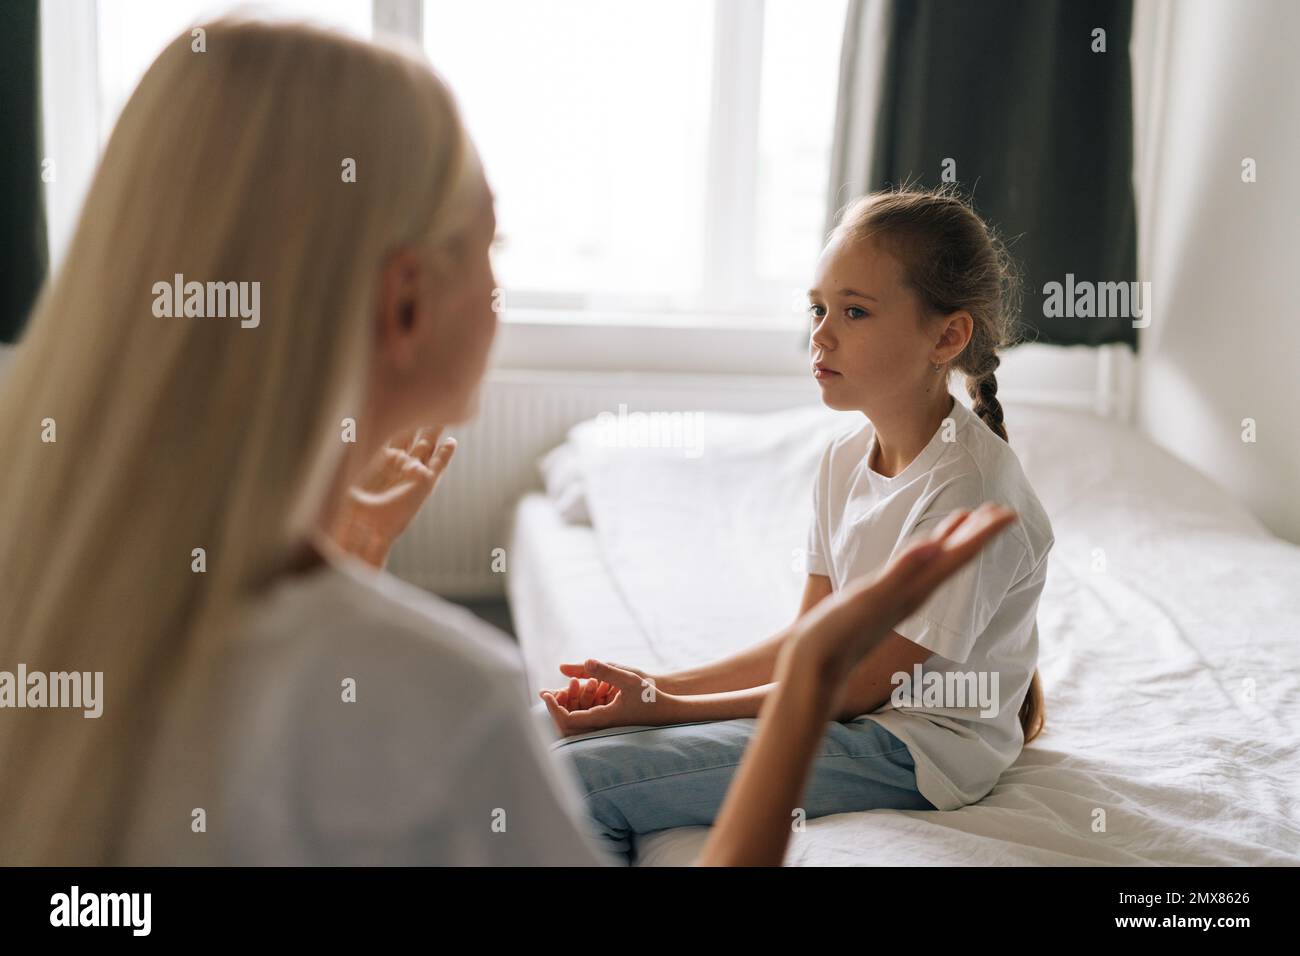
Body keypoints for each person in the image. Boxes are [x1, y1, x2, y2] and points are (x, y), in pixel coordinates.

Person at [0, 19, 1016, 866]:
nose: (501, 287)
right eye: (491, 247)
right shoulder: (451, 701)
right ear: (405, 303)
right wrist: (795, 693)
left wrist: (353, 557)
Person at [542, 188, 1054, 862]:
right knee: (542, 734)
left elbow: (859, 687)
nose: (821, 335)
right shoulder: (844, 457)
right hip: (854, 712)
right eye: (818, 308)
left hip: (909, 748)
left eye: (855, 311)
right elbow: (806, 643)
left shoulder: (971, 488)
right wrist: (654, 687)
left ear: (947, 335)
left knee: (574, 780)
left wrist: (664, 709)